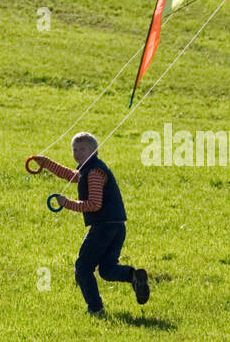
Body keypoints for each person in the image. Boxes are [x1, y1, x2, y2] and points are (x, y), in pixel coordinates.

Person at [30, 133, 149, 315]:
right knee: (107, 270)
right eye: (74, 149)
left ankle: (95, 309)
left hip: (104, 228)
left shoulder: (94, 172)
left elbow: (94, 205)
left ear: (93, 150)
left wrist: (66, 203)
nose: (77, 153)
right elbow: (71, 175)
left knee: (83, 268)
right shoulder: (90, 169)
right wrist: (46, 163)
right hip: (117, 226)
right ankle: (134, 276)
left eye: (82, 149)